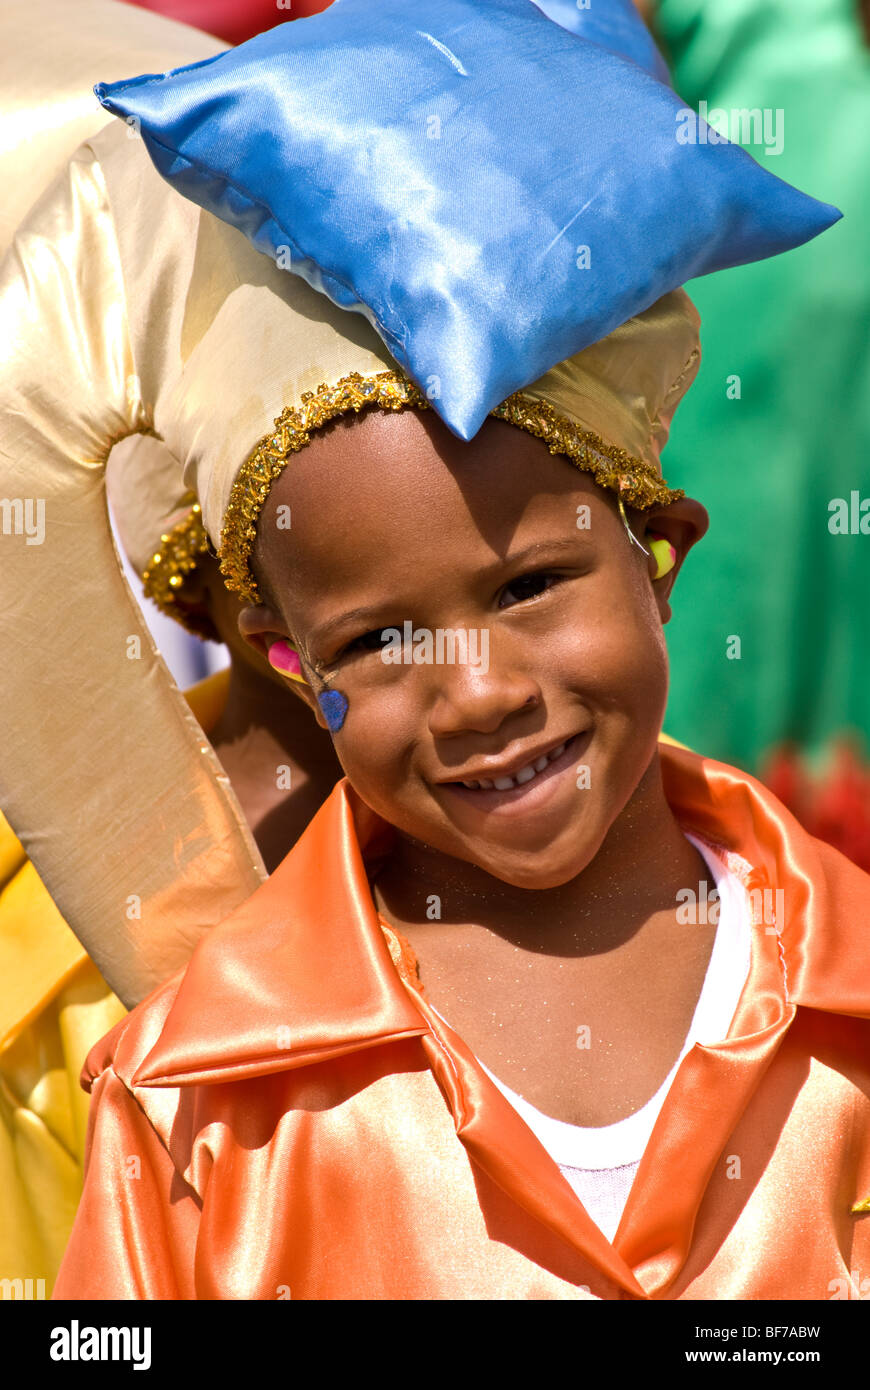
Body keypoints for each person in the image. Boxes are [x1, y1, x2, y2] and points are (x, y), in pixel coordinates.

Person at [2, 7, 865, 1302]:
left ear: (661, 547)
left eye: (526, 584)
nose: (481, 690)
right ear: (271, 639)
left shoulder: (841, 1000)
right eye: (383, 636)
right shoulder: (184, 1091)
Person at [0, 0, 341, 1298]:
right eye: (360, 617)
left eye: (530, 580)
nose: (475, 683)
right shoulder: (58, 1006)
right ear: (232, 605)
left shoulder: (751, 919)